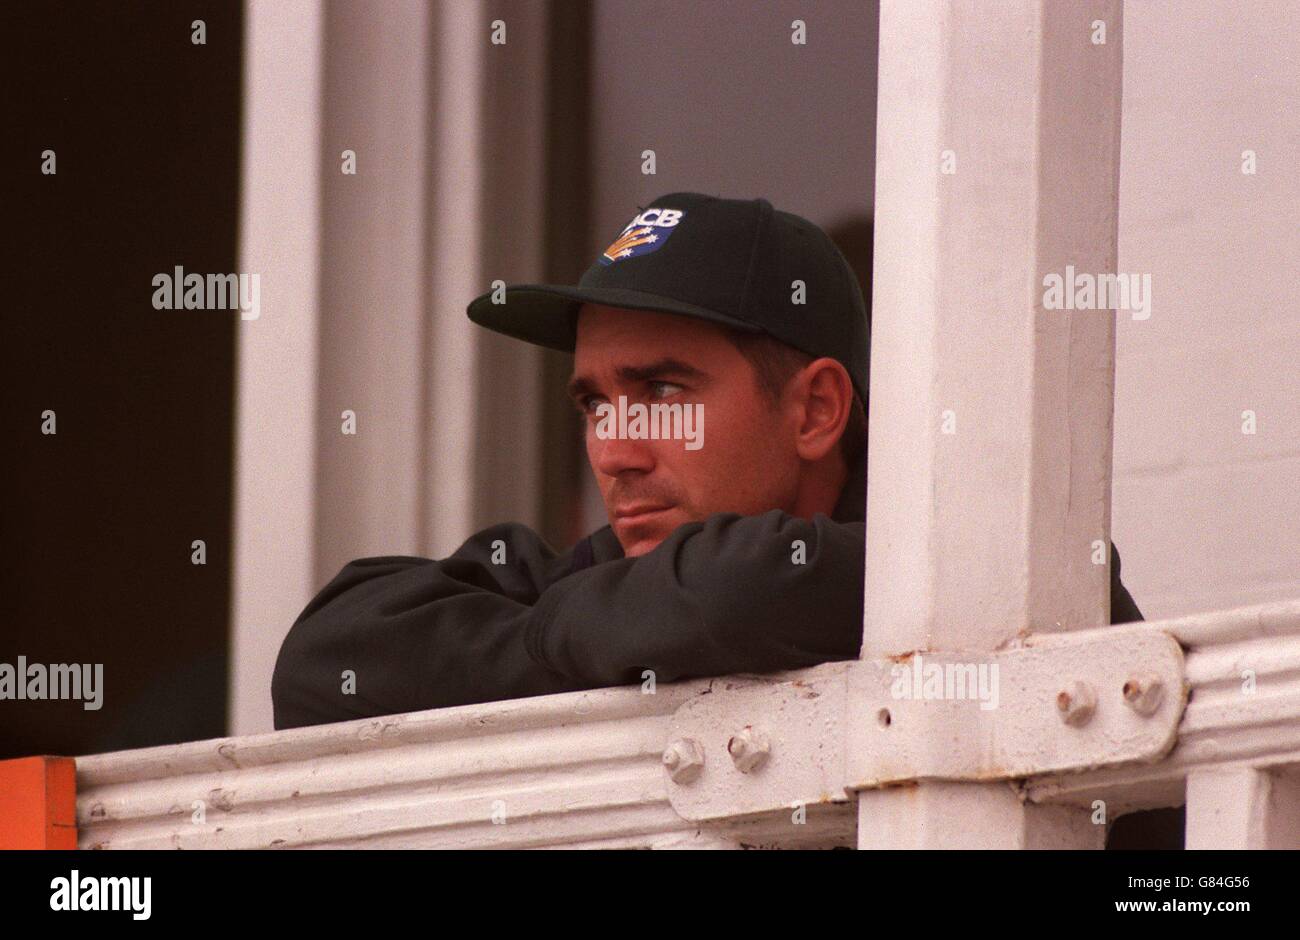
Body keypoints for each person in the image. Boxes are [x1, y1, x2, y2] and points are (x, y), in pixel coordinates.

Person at [271, 192, 1142, 730]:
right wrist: (586, 628)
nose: (613, 451)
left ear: (815, 411)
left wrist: (578, 630)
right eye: (594, 403)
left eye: (661, 391)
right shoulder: (612, 573)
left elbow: (749, 587)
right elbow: (324, 659)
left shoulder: (994, 553)